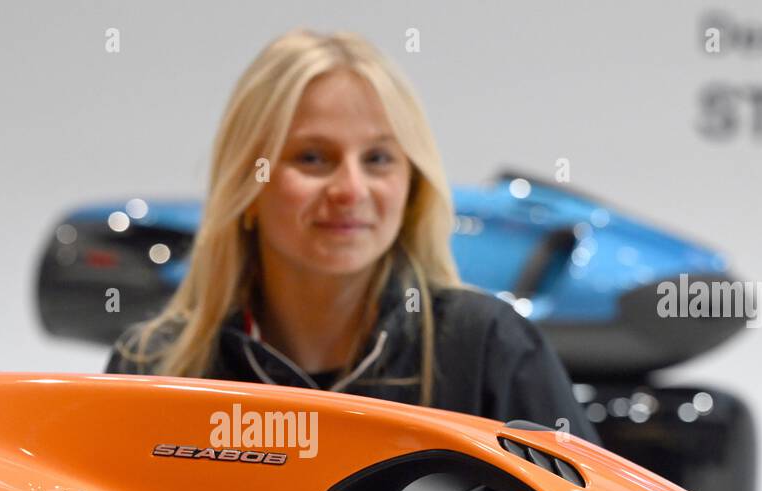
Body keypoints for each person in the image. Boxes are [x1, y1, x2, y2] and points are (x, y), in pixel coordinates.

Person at [104, 28, 598, 447]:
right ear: (247, 183)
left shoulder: (489, 348)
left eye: (378, 159)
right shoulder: (152, 369)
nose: (350, 190)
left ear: (412, 185)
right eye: (313, 158)